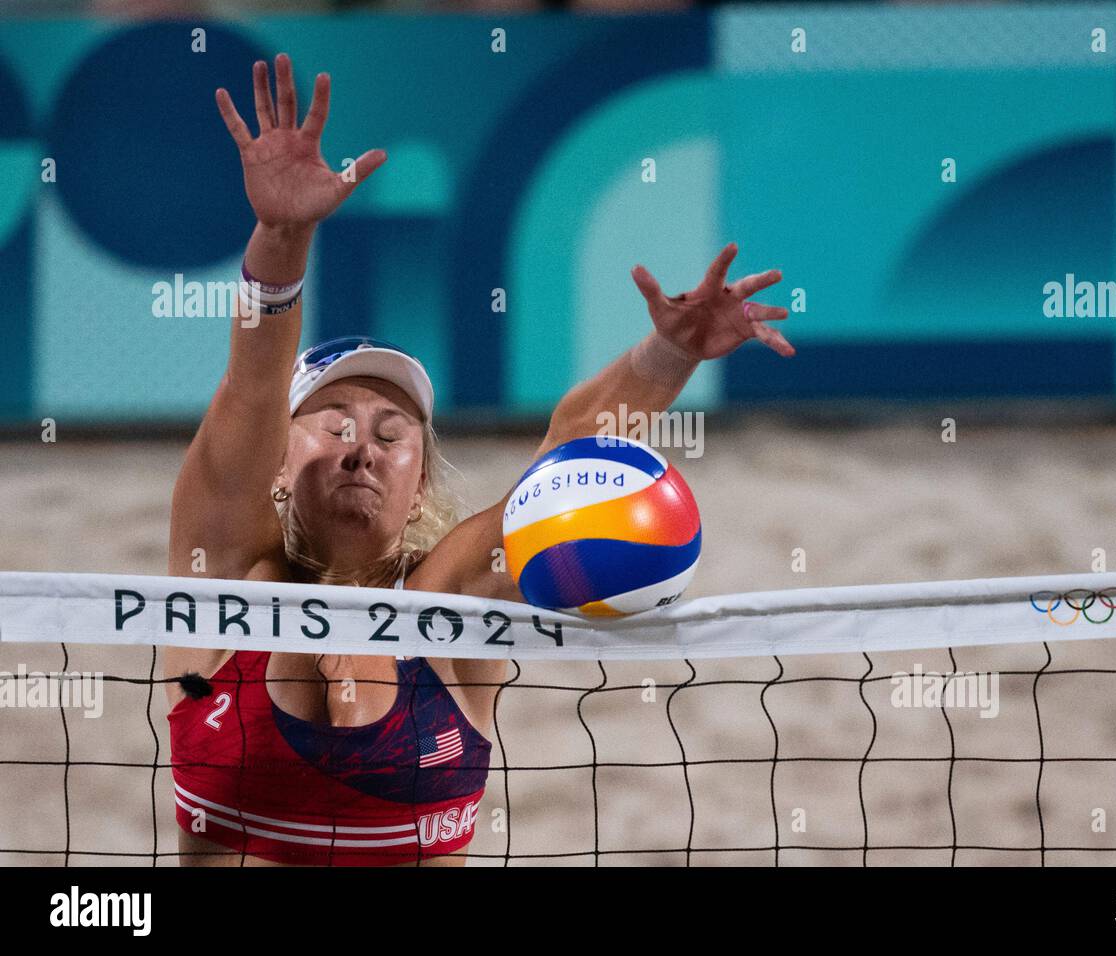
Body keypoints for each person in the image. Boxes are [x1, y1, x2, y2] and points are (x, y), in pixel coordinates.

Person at [165, 52, 794, 866]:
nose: (363, 446)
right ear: (277, 466)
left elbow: (572, 457)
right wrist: (283, 236)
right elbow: (251, 389)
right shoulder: (222, 583)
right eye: (333, 422)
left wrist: (667, 357)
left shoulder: (453, 604)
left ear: (419, 477)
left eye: (392, 434)